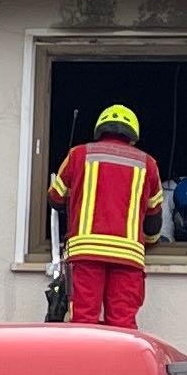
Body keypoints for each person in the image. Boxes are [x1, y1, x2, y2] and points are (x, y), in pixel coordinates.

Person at [46, 102, 164, 331]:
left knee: (83, 322)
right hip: (128, 257)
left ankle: (86, 367)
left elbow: (55, 198)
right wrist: (151, 243)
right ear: (133, 136)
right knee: (123, 326)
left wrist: (77, 193)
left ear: (100, 130)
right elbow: (153, 222)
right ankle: (119, 367)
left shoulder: (78, 154)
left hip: (86, 252)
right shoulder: (148, 164)